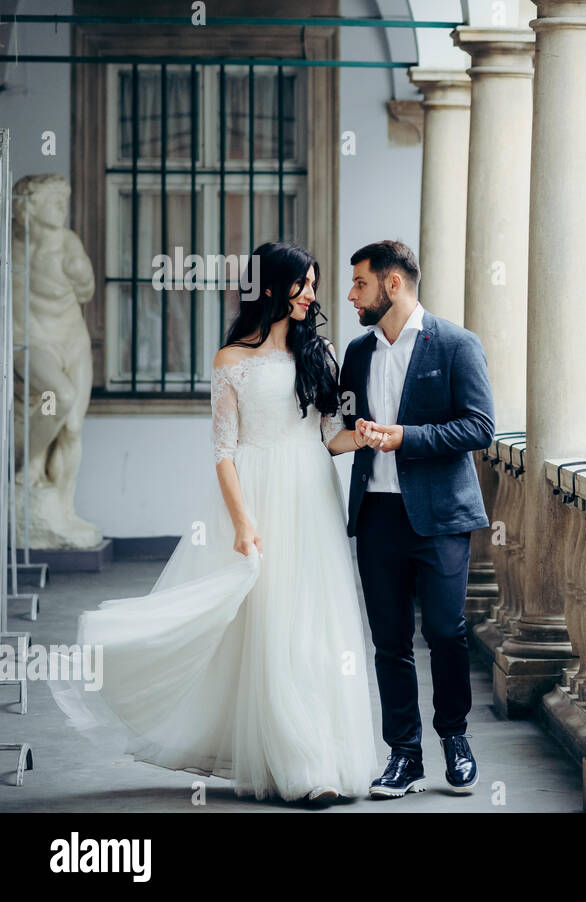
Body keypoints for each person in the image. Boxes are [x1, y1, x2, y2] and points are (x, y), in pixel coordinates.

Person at [49, 241, 377, 805]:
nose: (312, 296)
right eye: (303, 284)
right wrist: (242, 521)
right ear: (272, 287)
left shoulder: (319, 351)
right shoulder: (231, 359)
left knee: (316, 628)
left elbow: (329, 436)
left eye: (316, 285)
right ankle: (295, 766)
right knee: (270, 626)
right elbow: (223, 451)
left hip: (312, 497)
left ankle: (324, 759)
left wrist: (362, 436)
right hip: (260, 496)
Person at [340, 240, 494, 798]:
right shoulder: (357, 353)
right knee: (389, 639)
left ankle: (454, 737)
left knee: (446, 632)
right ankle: (404, 755)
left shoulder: (455, 343)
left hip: (441, 516)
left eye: (360, 283)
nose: (352, 294)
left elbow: (480, 426)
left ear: (393, 284)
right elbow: (342, 418)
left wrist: (406, 438)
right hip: (376, 513)